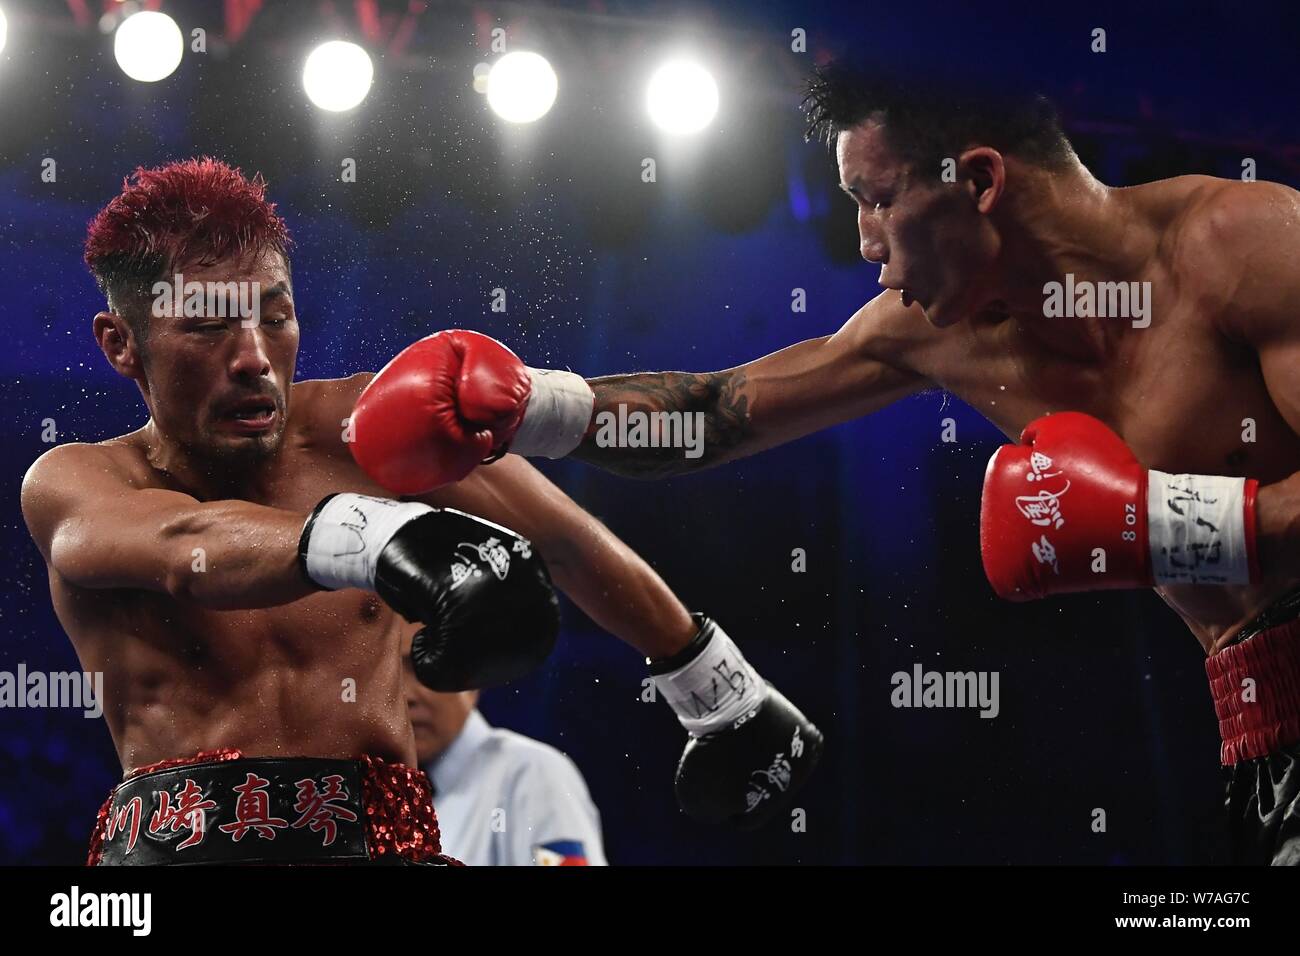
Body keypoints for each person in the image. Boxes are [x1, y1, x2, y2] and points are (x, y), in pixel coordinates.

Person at [352, 64, 1300, 864]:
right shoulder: (935, 335)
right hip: (1256, 728)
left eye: (878, 200)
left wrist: (1182, 525)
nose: (863, 243)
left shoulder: (1239, 249)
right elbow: (714, 417)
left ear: (978, 179)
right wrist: (531, 409)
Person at [20, 158, 820, 863]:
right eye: (206, 327)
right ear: (120, 343)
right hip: (175, 857)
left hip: (386, 844)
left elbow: (563, 540)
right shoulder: (79, 481)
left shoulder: (366, 429)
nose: (254, 359)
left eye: (275, 315)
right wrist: (387, 535)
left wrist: (716, 686)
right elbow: (180, 544)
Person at [404, 672, 607, 866]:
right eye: (386, 670)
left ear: (471, 676)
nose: (405, 695)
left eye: (420, 668)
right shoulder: (388, 790)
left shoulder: (532, 773)